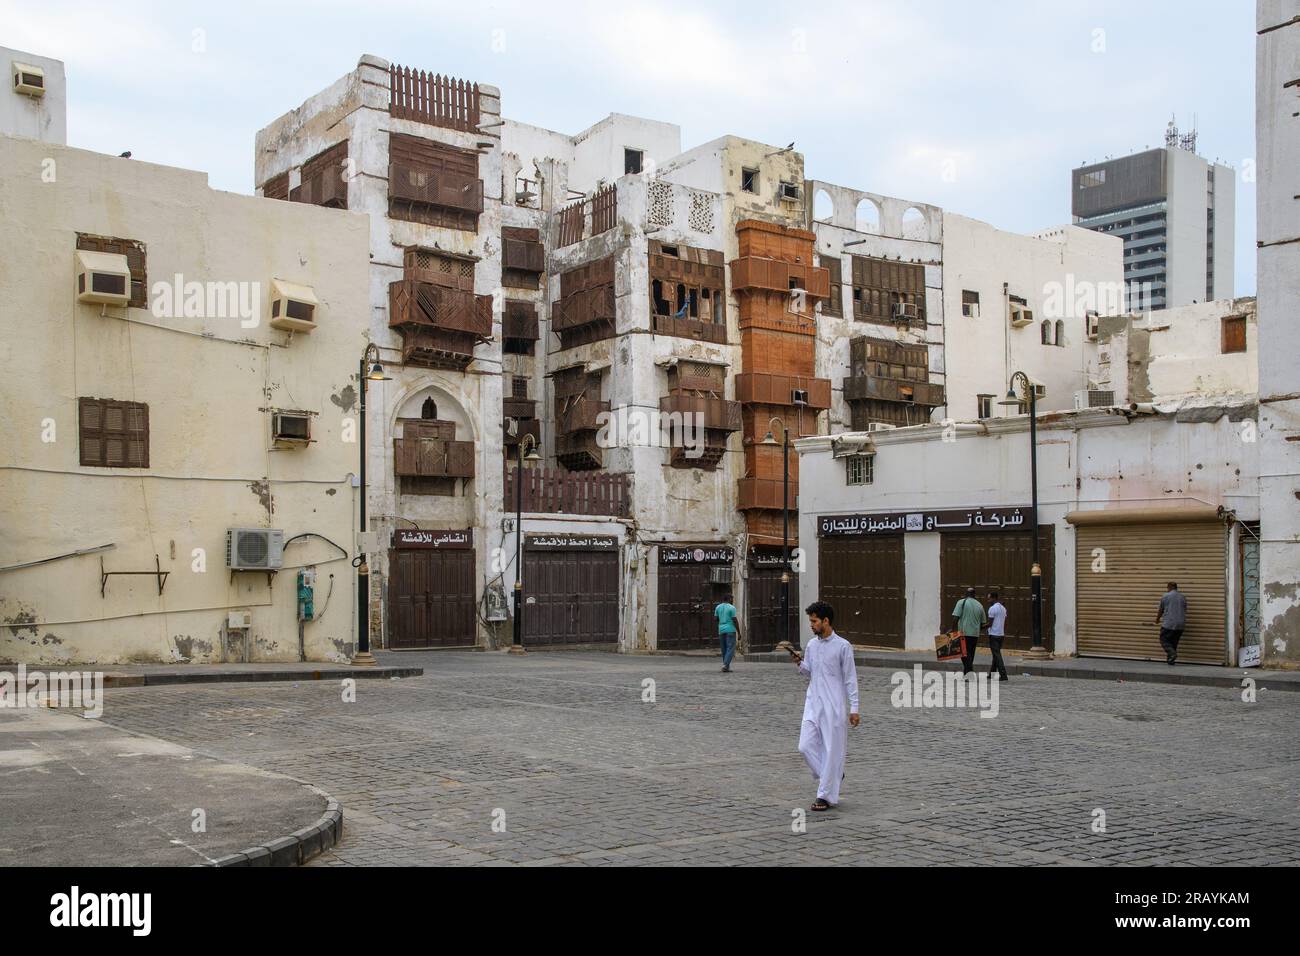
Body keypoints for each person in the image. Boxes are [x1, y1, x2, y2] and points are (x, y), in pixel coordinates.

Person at [790, 601, 859, 812]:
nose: (811, 625)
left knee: (831, 750)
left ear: (826, 621)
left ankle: (825, 796)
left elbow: (850, 679)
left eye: (814, 621)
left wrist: (854, 708)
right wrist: (799, 663)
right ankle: (833, 775)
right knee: (804, 746)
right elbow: (810, 672)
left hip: (834, 706)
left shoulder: (843, 646)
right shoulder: (811, 645)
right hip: (812, 703)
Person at [951, 587, 988, 676]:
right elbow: (983, 623)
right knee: (970, 654)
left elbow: (955, 618)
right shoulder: (980, 605)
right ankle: (967, 672)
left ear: (966, 594)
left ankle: (969, 672)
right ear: (974, 595)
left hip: (964, 632)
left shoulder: (961, 602)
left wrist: (953, 631)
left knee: (964, 654)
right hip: (975, 634)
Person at [1155, 582, 1187, 665]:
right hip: (1181, 624)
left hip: (1169, 623)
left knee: (1163, 639)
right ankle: (1171, 660)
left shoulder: (1166, 596)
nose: (1167, 589)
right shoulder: (1182, 597)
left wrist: (1157, 619)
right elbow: (1184, 609)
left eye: (1167, 587)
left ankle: (1172, 654)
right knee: (1174, 643)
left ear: (1170, 587)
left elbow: (1161, 609)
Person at [986, 590, 1009, 682]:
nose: (988, 600)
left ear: (993, 598)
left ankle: (1003, 674)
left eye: (989, 598)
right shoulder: (1003, 608)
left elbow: (990, 623)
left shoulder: (992, 609)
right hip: (1001, 634)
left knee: (997, 655)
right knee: (996, 654)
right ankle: (992, 673)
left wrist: (980, 627)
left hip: (994, 634)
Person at [713, 592, 739, 672]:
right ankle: (725, 665)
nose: (732, 600)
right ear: (730, 599)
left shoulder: (718, 607)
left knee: (724, 649)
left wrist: (721, 621)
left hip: (721, 629)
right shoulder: (732, 608)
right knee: (730, 648)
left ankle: (726, 666)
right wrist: (739, 632)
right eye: (732, 599)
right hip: (730, 630)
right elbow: (735, 620)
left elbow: (715, 619)